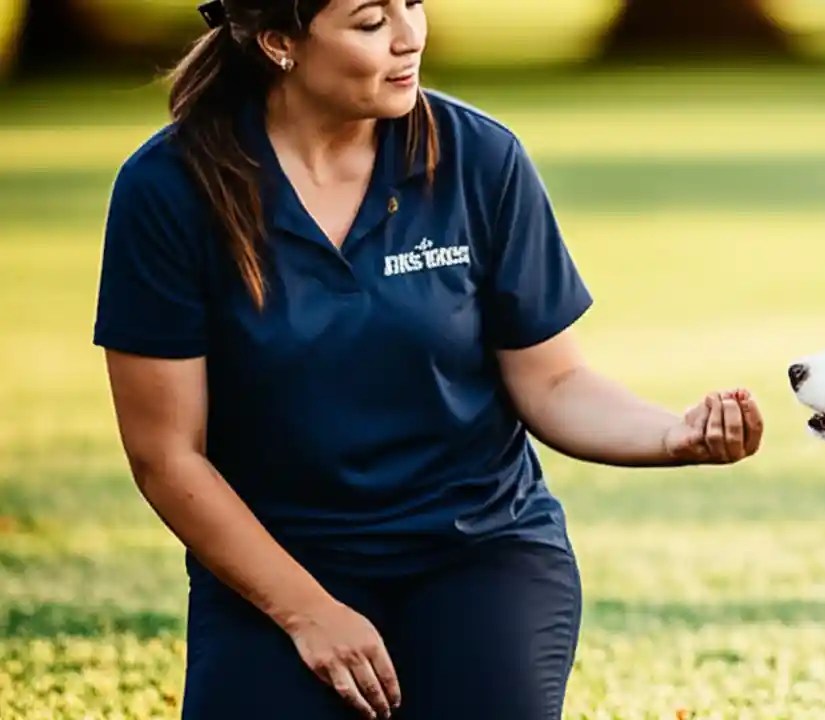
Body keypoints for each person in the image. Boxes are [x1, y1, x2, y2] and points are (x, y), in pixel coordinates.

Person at [91, 1, 765, 718]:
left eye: (412, 3)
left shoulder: (479, 157)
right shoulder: (168, 189)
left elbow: (552, 380)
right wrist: (305, 612)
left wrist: (672, 436)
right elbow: (167, 456)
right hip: (279, 564)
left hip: (476, 550)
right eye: (370, 21)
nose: (409, 36)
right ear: (280, 42)